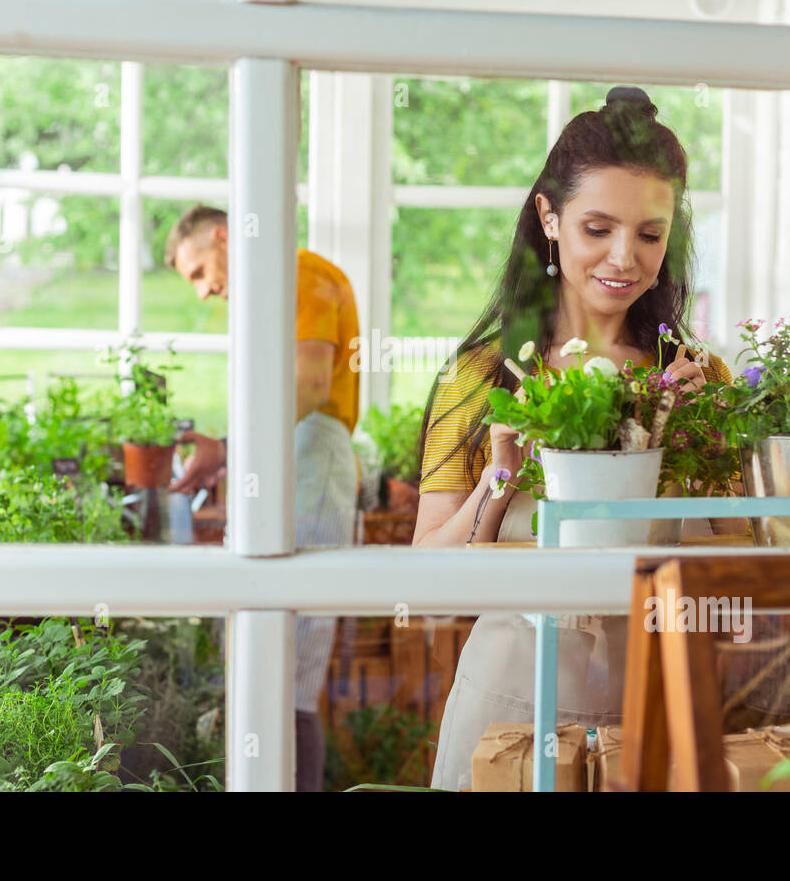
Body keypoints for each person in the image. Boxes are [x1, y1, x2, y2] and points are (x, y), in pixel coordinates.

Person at [412, 86, 746, 790]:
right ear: (549, 217)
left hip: (658, 712)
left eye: (650, 234)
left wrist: (700, 433)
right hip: (508, 716)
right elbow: (429, 591)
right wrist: (498, 476)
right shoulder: (478, 377)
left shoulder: (696, 377)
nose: (625, 257)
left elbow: (742, 569)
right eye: (598, 228)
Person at [164, 203, 361, 792]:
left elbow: (308, 383)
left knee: (289, 670)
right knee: (266, 660)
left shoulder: (301, 273)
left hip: (314, 457)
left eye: (199, 271)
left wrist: (225, 450)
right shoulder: (277, 289)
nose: (202, 292)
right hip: (294, 458)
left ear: (224, 238)